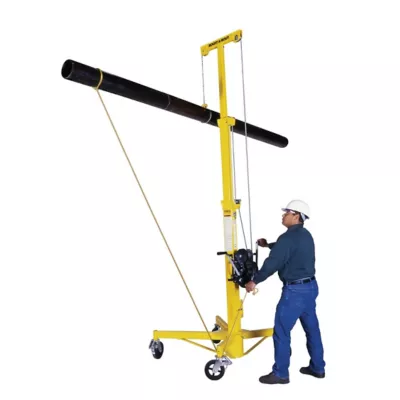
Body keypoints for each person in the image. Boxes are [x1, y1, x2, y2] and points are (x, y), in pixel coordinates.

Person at [245, 200, 325, 385]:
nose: (283, 215)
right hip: (310, 288)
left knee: (281, 331)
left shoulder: (287, 238)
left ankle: (280, 373)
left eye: (287, 212)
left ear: (296, 216)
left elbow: (273, 263)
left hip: (294, 293)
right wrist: (268, 245)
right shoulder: (305, 235)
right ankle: (318, 367)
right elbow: (290, 248)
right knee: (312, 329)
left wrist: (254, 281)